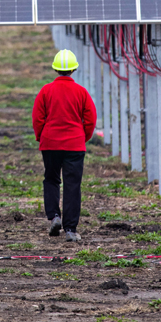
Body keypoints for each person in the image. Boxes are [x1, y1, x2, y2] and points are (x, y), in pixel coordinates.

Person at [31, 49, 97, 242]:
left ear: (55, 69)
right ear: (74, 69)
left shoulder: (46, 91)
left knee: (51, 179)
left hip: (50, 143)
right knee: (72, 185)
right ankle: (70, 229)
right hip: (75, 145)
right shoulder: (81, 92)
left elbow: (38, 118)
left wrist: (41, 137)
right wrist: (81, 137)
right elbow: (90, 119)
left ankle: (54, 216)